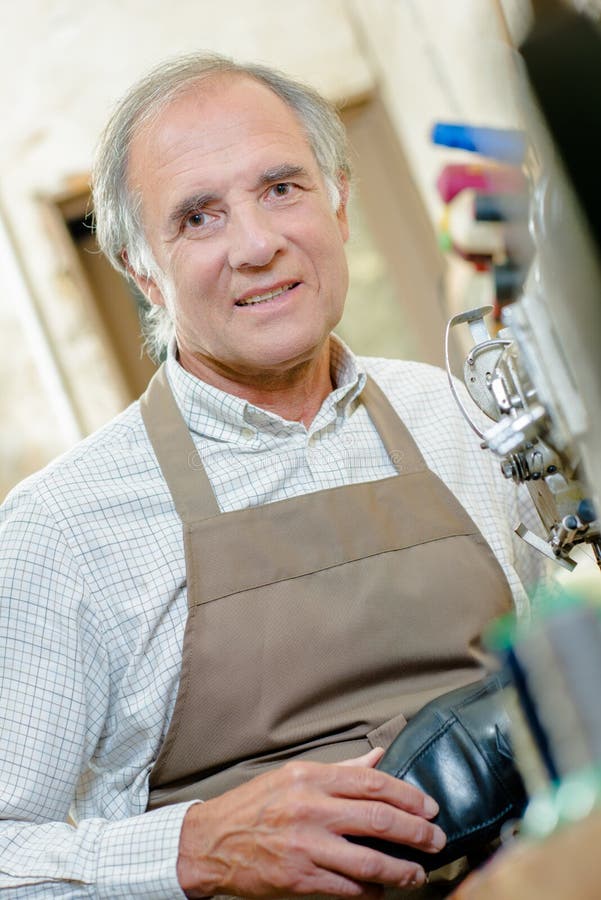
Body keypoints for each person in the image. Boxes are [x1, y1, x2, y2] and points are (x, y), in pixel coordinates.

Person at [0, 52, 533, 899]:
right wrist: (194, 850)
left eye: (281, 188)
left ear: (338, 203)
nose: (256, 246)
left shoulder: (453, 412)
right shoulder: (60, 527)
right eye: (198, 217)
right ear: (142, 270)